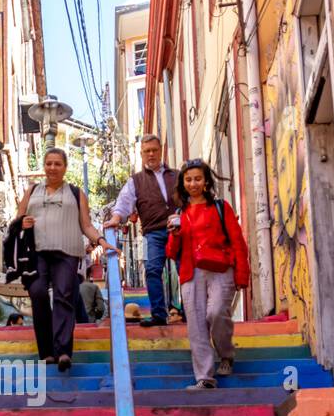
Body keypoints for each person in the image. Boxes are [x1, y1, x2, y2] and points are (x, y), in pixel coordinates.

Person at [15, 148, 116, 372]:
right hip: (36, 251)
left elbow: (86, 224)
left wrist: (100, 240)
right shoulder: (32, 191)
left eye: (57, 164)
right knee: (38, 292)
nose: (52, 168)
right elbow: (18, 219)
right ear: (44, 166)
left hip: (67, 251)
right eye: (49, 163)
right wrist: (22, 223)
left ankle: (62, 352)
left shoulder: (75, 192)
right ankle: (46, 351)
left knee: (64, 296)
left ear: (65, 167)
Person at [167, 159, 250, 389]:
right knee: (195, 324)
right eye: (188, 179)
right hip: (190, 272)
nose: (193, 183)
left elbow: (238, 242)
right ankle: (204, 377)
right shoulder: (179, 214)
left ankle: (226, 354)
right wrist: (174, 233)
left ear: (205, 182)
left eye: (197, 179)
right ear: (183, 184)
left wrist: (242, 275)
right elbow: (172, 252)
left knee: (216, 313)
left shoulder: (221, 207)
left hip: (221, 270)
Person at [103, 134, 179, 327]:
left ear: (160, 150)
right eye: (147, 151)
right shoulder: (135, 181)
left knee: (186, 270)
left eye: (154, 150)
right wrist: (115, 219)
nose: (151, 154)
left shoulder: (176, 175)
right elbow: (123, 204)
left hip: (180, 230)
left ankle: (189, 312)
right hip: (153, 232)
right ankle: (159, 314)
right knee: (152, 270)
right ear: (142, 154)